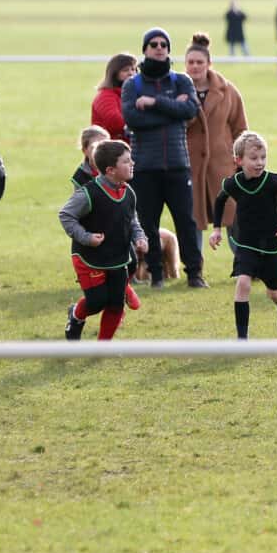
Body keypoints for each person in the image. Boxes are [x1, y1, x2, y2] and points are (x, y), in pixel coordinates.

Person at [121, 28, 207, 288]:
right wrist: (172, 109)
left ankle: (195, 273)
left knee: (186, 222)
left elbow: (190, 110)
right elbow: (133, 119)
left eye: (164, 44)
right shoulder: (132, 85)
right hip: (145, 166)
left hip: (178, 165)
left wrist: (154, 102)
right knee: (148, 223)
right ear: (145, 49)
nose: (159, 48)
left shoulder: (181, 81)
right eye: (153, 44)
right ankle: (156, 274)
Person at [208, 131, 277, 340]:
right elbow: (220, 201)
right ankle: (242, 339)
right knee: (243, 283)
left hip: (272, 245)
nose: (260, 163)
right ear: (238, 160)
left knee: (273, 292)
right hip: (246, 243)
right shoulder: (233, 184)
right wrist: (216, 229)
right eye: (254, 158)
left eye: (263, 158)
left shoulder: (274, 182)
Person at [61, 140, 147, 341]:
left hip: (118, 258)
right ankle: (76, 315)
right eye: (126, 161)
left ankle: (103, 346)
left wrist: (140, 237)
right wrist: (86, 237)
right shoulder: (88, 194)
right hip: (88, 257)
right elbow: (66, 215)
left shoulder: (129, 192)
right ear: (110, 170)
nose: (132, 163)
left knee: (116, 304)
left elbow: (132, 220)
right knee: (97, 302)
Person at [183, 33, 250, 257]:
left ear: (209, 63)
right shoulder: (176, 91)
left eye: (199, 62)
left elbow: (240, 128)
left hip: (223, 164)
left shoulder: (228, 91)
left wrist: (241, 161)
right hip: (189, 162)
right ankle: (195, 269)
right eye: (190, 62)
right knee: (192, 217)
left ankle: (244, 263)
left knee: (233, 216)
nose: (195, 67)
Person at [70, 126, 142, 314]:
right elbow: (74, 211)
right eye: (95, 145)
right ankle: (116, 293)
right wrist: (86, 235)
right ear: (86, 150)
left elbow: (129, 210)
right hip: (97, 233)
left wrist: (138, 235)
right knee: (100, 297)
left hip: (117, 231)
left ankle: (123, 288)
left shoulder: (119, 172)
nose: (100, 148)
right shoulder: (83, 177)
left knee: (132, 262)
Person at [91, 53, 137, 140]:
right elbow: (114, 121)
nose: (131, 73)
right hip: (111, 149)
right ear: (114, 73)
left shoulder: (135, 94)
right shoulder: (105, 96)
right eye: (125, 70)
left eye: (133, 69)